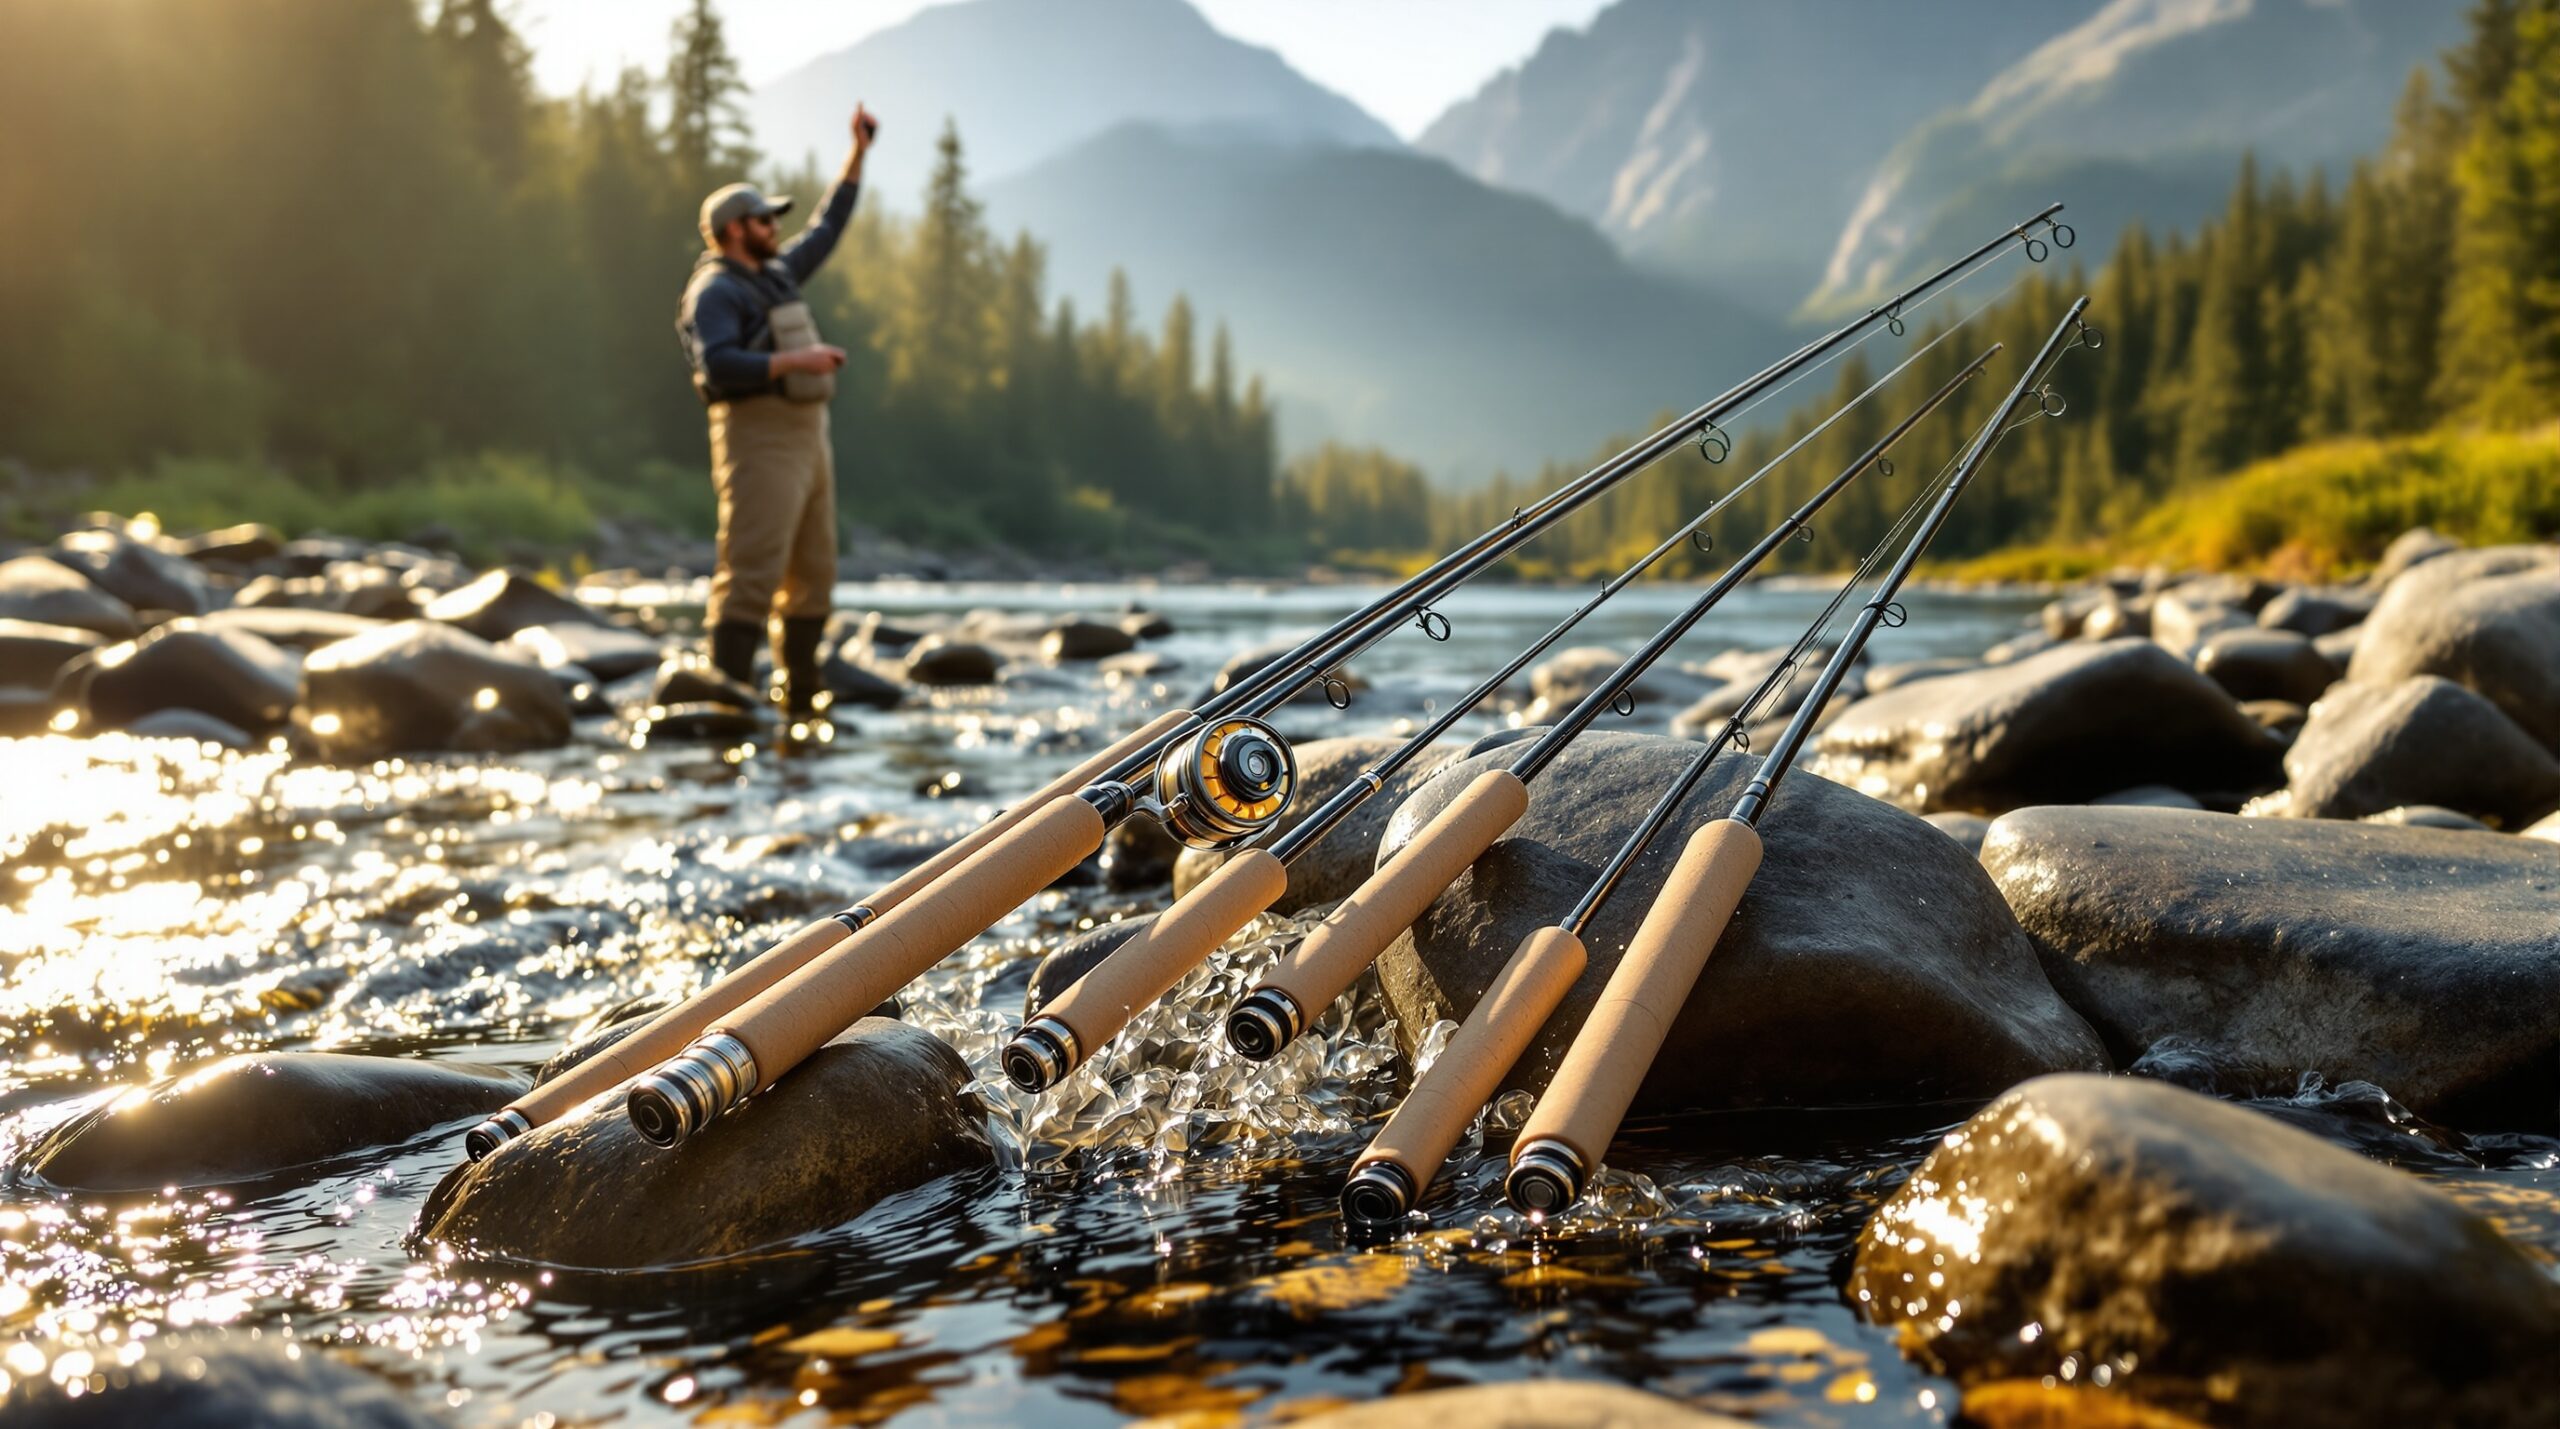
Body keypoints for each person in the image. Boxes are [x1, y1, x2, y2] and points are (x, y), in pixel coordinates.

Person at [676, 103, 877, 719]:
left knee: (814, 570)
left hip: (809, 439)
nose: (775, 226)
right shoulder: (715, 291)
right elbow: (718, 365)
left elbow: (826, 228)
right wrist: (798, 362)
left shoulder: (773, 274)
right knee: (752, 567)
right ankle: (728, 704)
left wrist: (857, 154)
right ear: (736, 229)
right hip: (756, 438)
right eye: (765, 218)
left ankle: (800, 696)